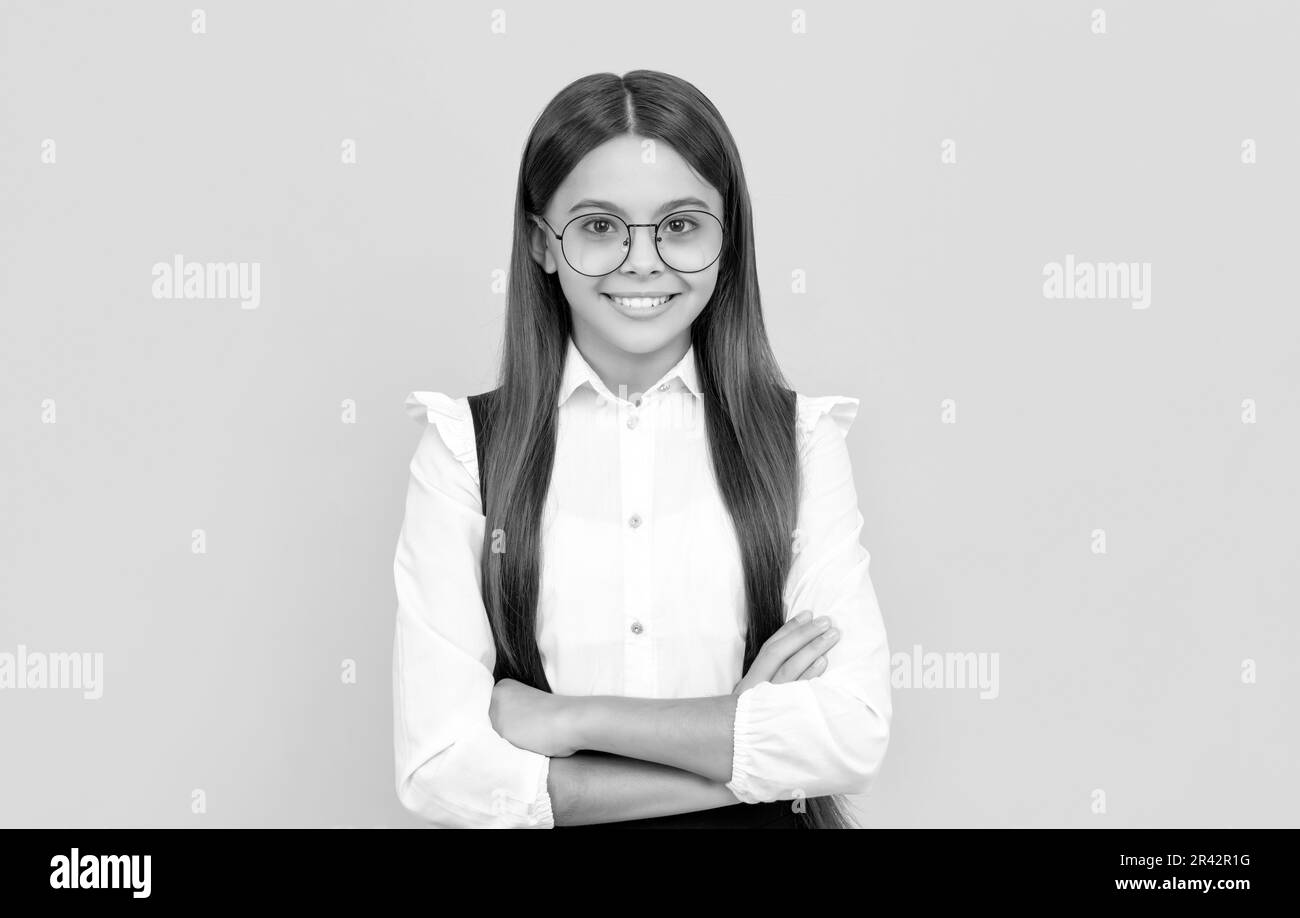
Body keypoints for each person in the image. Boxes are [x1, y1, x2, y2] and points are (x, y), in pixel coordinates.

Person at [392, 70, 891, 828]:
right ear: (542, 245)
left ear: (728, 243)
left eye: (681, 225)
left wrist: (574, 722)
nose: (642, 260)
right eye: (598, 226)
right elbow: (442, 769)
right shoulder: (463, 451)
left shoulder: (800, 445)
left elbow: (850, 733)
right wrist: (743, 745)